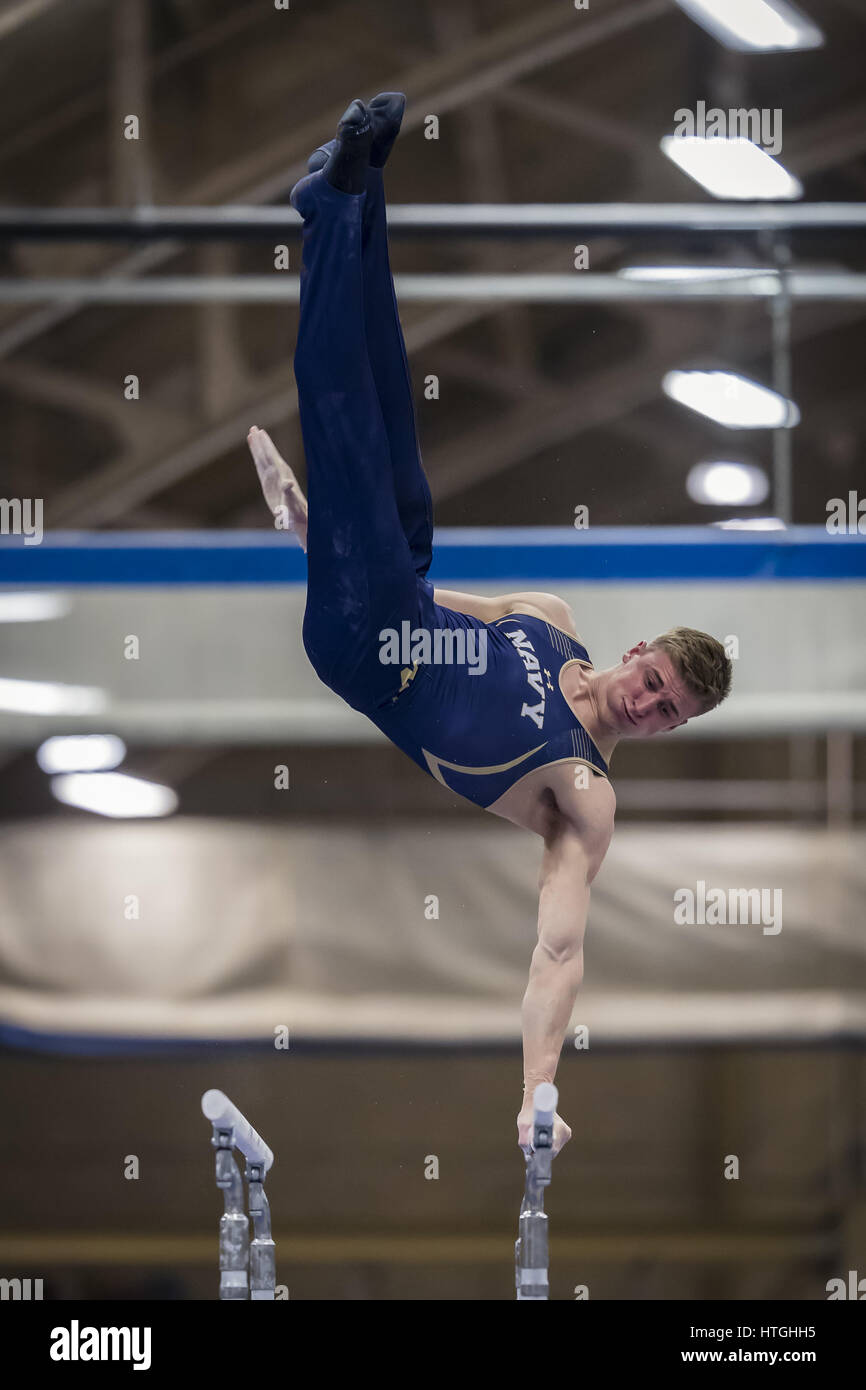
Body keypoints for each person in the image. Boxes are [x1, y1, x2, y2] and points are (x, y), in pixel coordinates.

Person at [247, 94, 733, 1158]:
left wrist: (536, 1092)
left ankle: (329, 208)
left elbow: (557, 951)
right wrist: (312, 538)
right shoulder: (547, 621)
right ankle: (353, 193)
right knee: (386, 420)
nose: (648, 706)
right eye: (657, 681)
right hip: (390, 598)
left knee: (342, 427)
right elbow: (429, 601)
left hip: (369, 658)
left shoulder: (581, 794)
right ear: (638, 650)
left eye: (667, 715)